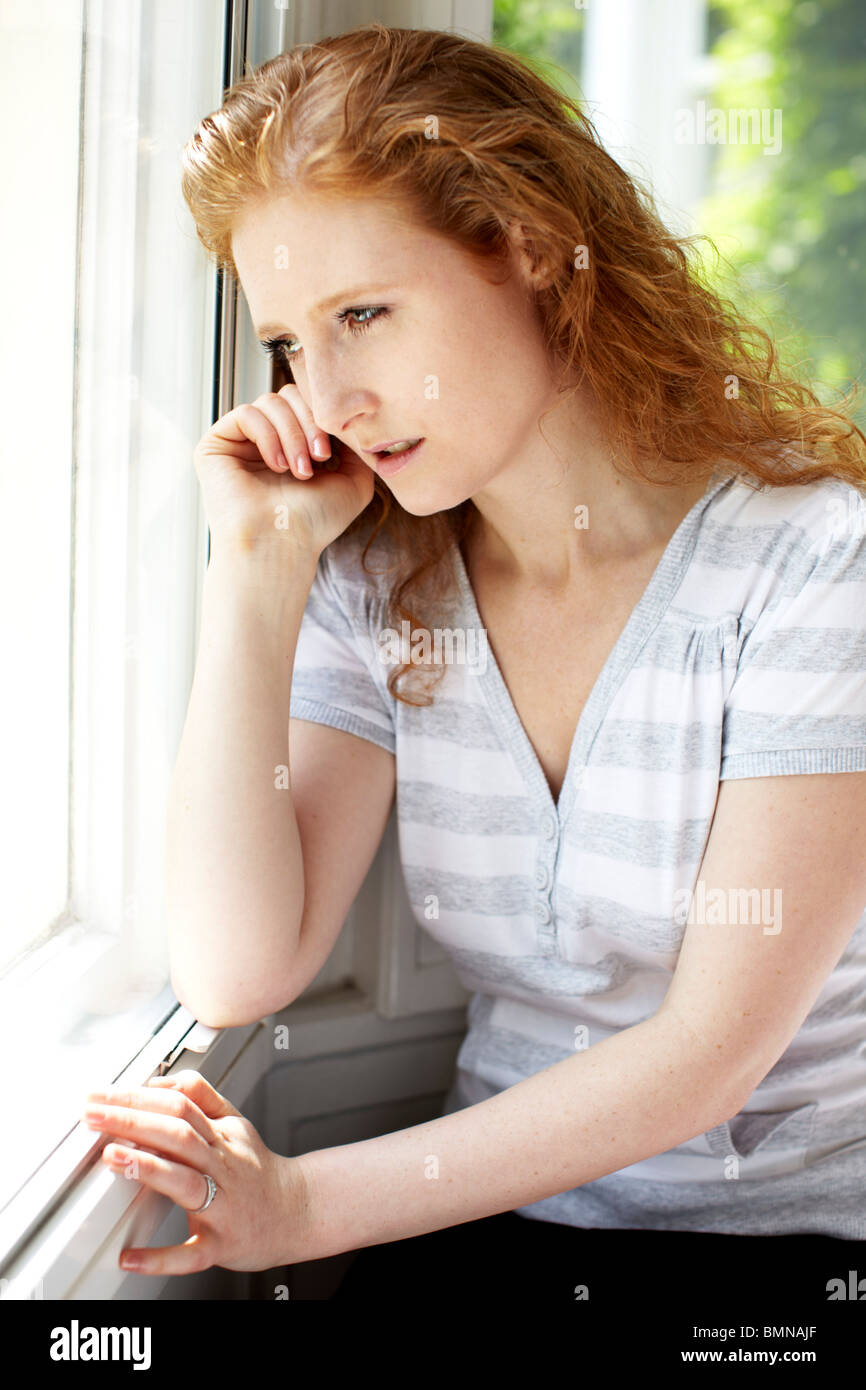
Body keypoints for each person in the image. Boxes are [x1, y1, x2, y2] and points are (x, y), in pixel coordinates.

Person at [83, 24, 866, 1310]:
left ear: (528, 249)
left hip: (784, 1260)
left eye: (364, 315)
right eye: (289, 344)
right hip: (502, 1222)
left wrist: (305, 1204)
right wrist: (259, 571)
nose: (325, 398)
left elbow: (708, 1056)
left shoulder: (815, 567)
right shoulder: (380, 582)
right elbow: (239, 965)